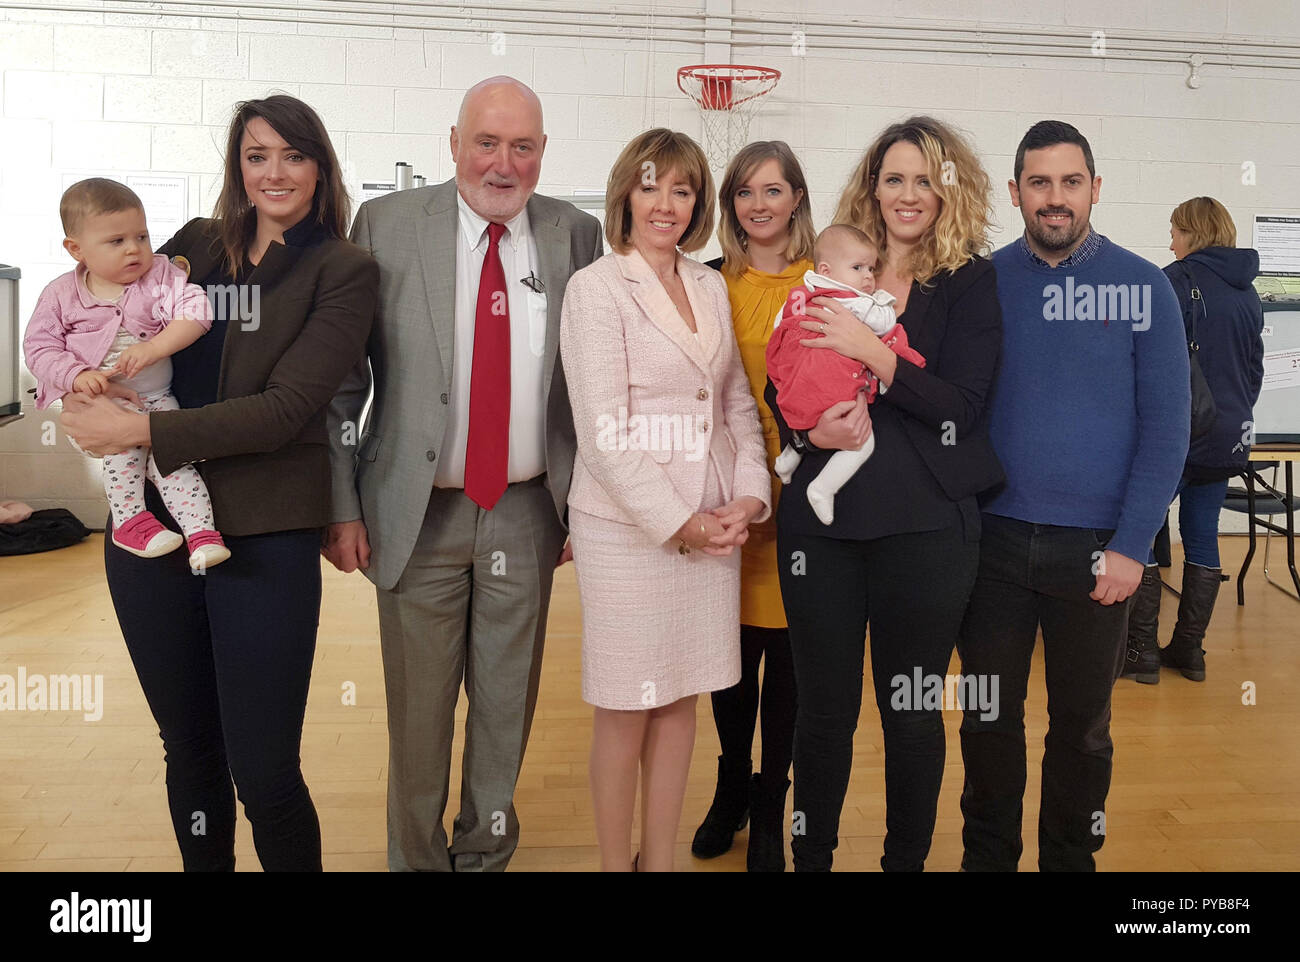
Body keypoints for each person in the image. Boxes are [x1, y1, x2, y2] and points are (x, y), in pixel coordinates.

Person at [59, 94, 378, 870]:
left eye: (293, 155)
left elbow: (284, 411)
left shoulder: (343, 270)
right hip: (157, 529)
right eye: (256, 155)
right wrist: (72, 378)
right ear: (237, 165)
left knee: (264, 770)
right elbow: (107, 309)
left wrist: (137, 430)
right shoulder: (193, 246)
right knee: (188, 751)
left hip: (266, 535)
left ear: (320, 166)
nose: (274, 172)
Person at [323, 76, 603, 872]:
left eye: (522, 146)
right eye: (487, 141)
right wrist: (341, 501)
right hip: (415, 510)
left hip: (527, 509)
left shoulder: (575, 235)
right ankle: (415, 862)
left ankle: (485, 855)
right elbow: (346, 381)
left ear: (543, 154)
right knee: (418, 713)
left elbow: (587, 385)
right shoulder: (384, 224)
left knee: (506, 705)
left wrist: (584, 506)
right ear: (454, 143)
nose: (503, 163)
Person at [767, 116, 1005, 871]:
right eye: (895, 178)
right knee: (823, 714)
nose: (909, 194)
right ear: (874, 185)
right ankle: (813, 860)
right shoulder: (828, 271)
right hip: (824, 530)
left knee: (909, 712)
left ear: (948, 190)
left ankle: (903, 863)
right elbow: (785, 378)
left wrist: (874, 353)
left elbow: (962, 406)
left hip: (926, 530)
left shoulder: (971, 278)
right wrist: (806, 437)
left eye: (925, 180)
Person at [958, 120, 1190, 872]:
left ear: (1095, 188)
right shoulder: (984, 281)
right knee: (987, 719)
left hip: (1097, 553)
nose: (1054, 199)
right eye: (1038, 183)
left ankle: (1069, 861)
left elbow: (1166, 432)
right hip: (991, 544)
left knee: (1082, 728)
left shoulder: (1145, 286)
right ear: (1016, 190)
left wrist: (1132, 546)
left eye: (1069, 182)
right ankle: (987, 859)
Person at [560, 127, 771, 872]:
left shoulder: (711, 283)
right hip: (630, 526)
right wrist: (678, 523)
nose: (666, 203)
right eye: (651, 186)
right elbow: (602, 432)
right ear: (625, 192)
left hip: (713, 520)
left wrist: (747, 497)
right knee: (625, 705)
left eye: (683, 190)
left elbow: (736, 404)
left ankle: (663, 860)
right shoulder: (595, 288)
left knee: (682, 701)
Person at [691, 140, 813, 871]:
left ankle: (773, 806)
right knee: (729, 663)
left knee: (790, 667)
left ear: (796, 198)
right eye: (744, 193)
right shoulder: (705, 285)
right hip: (726, 499)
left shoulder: (827, 282)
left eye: (773, 190)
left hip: (803, 503)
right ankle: (730, 784)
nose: (758, 205)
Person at [24, 178, 228, 569]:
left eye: (142, 235)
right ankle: (130, 521)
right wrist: (74, 375)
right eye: (116, 241)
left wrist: (155, 347)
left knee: (173, 458)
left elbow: (197, 312)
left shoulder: (161, 277)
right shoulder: (61, 295)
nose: (134, 248)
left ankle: (201, 533)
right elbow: (39, 347)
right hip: (100, 405)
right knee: (124, 453)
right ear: (76, 249)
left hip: (158, 398)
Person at [1122, 197, 1264, 683]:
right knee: (1201, 534)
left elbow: (1145, 360)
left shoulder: (1175, 281)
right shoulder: (1247, 292)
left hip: (1179, 432)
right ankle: (1191, 650)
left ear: (1193, 233)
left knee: (1141, 528)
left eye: (1176, 231)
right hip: (1227, 437)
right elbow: (1254, 369)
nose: (1171, 241)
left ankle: (1140, 651)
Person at [768, 223, 926, 524]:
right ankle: (823, 488)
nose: (868, 277)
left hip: (799, 384)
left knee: (807, 421)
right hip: (832, 384)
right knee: (863, 441)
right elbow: (882, 324)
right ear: (826, 270)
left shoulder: (800, 294)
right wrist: (881, 301)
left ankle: (788, 458)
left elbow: (780, 326)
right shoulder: (852, 299)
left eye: (871, 268)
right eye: (858, 267)